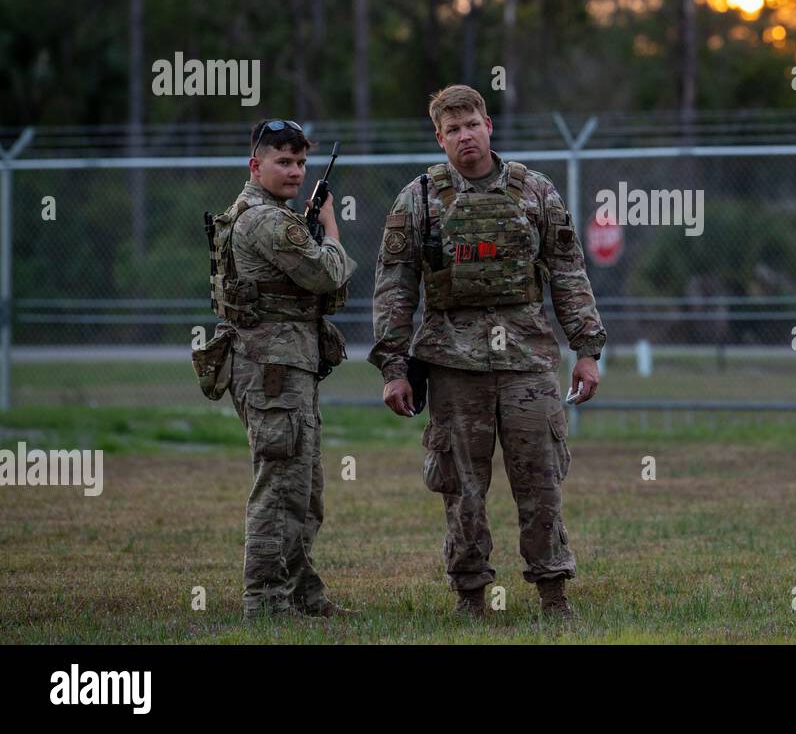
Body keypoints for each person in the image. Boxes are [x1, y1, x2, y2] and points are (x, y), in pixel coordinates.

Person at [369, 85, 606, 620]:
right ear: (439, 137)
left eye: (471, 124)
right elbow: (394, 286)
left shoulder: (535, 191)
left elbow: (568, 273)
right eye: (452, 129)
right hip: (453, 364)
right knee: (462, 488)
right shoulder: (419, 199)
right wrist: (393, 366)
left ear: (488, 124)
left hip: (526, 361)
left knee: (541, 481)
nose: (464, 136)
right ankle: (471, 597)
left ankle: (553, 594)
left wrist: (587, 350)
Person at [204, 119, 357, 619]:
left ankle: (301, 594)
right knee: (279, 487)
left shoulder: (267, 214)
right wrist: (330, 228)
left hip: (286, 365)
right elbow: (325, 273)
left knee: (304, 488)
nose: (294, 171)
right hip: (272, 369)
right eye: (283, 162)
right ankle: (266, 601)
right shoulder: (266, 220)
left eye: (300, 163)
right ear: (256, 165)